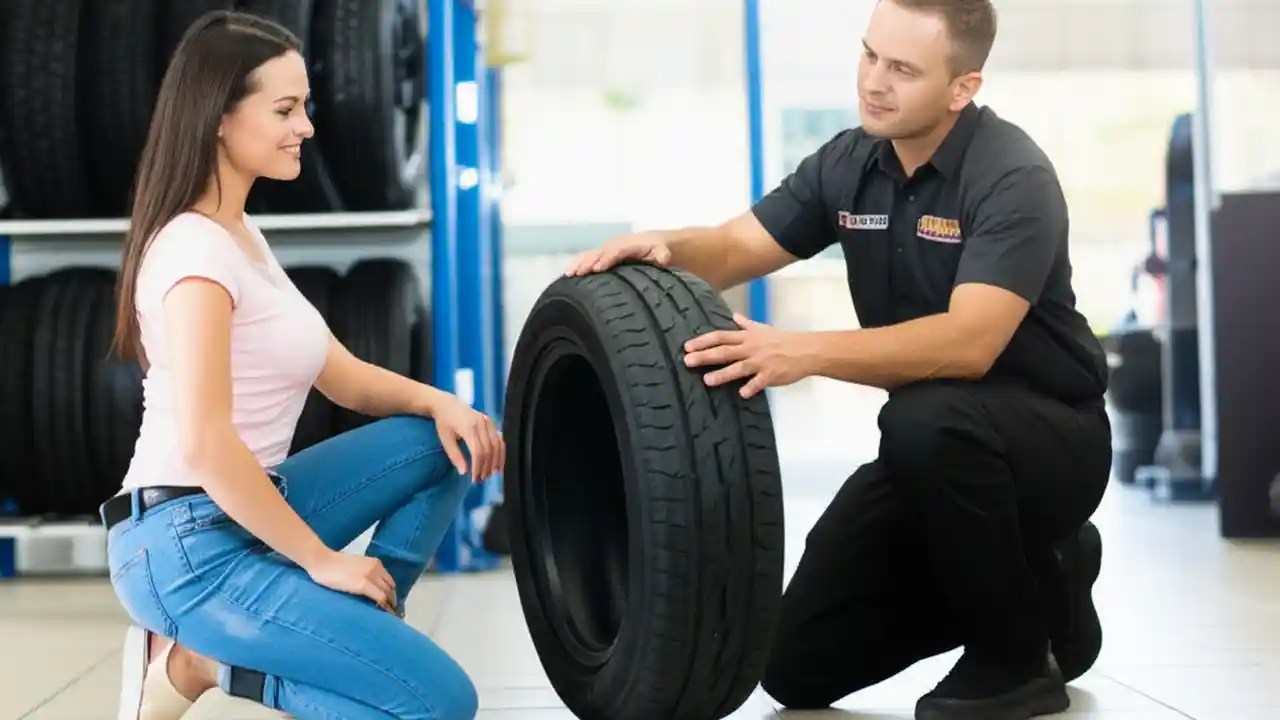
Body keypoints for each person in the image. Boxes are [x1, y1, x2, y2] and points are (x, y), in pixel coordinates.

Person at [566, 1, 1110, 718]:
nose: (874, 82)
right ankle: (1045, 588)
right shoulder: (850, 163)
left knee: (923, 415)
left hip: (1051, 443)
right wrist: (662, 246)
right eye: (869, 55)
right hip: (937, 456)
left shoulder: (1012, 175)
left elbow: (967, 345)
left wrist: (800, 352)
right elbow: (733, 249)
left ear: (962, 88)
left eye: (904, 69)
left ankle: (1012, 664)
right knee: (795, 666)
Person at [101, 12, 501, 720]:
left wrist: (444, 402)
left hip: (250, 508)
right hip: (185, 549)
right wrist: (321, 559)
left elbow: (338, 374)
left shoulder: (240, 233)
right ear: (218, 118)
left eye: (304, 107)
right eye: (285, 109)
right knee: (440, 705)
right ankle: (207, 662)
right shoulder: (194, 255)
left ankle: (366, 628)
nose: (307, 127)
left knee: (435, 442)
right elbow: (205, 443)